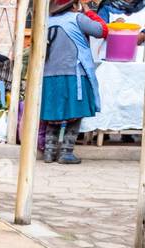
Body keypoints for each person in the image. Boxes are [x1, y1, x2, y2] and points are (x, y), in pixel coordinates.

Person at [41, 0, 105, 164]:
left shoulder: (47, 21)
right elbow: (102, 30)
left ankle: (49, 152)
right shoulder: (77, 18)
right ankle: (66, 153)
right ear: (74, 5)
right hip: (73, 74)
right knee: (74, 115)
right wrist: (88, 12)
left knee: (53, 114)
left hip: (48, 75)